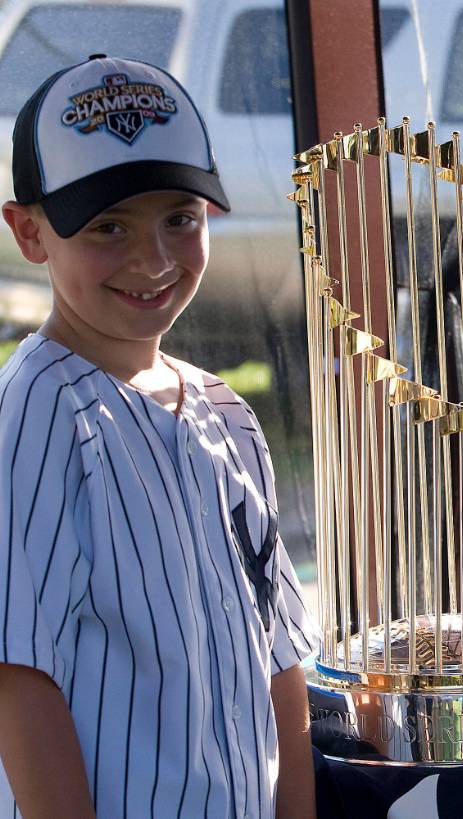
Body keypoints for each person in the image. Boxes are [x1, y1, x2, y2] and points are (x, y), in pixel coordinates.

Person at [0, 55, 317, 818]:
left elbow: (280, 663)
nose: (154, 259)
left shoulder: (226, 416)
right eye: (108, 226)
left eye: (180, 218)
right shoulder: (36, 411)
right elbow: (17, 679)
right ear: (29, 232)